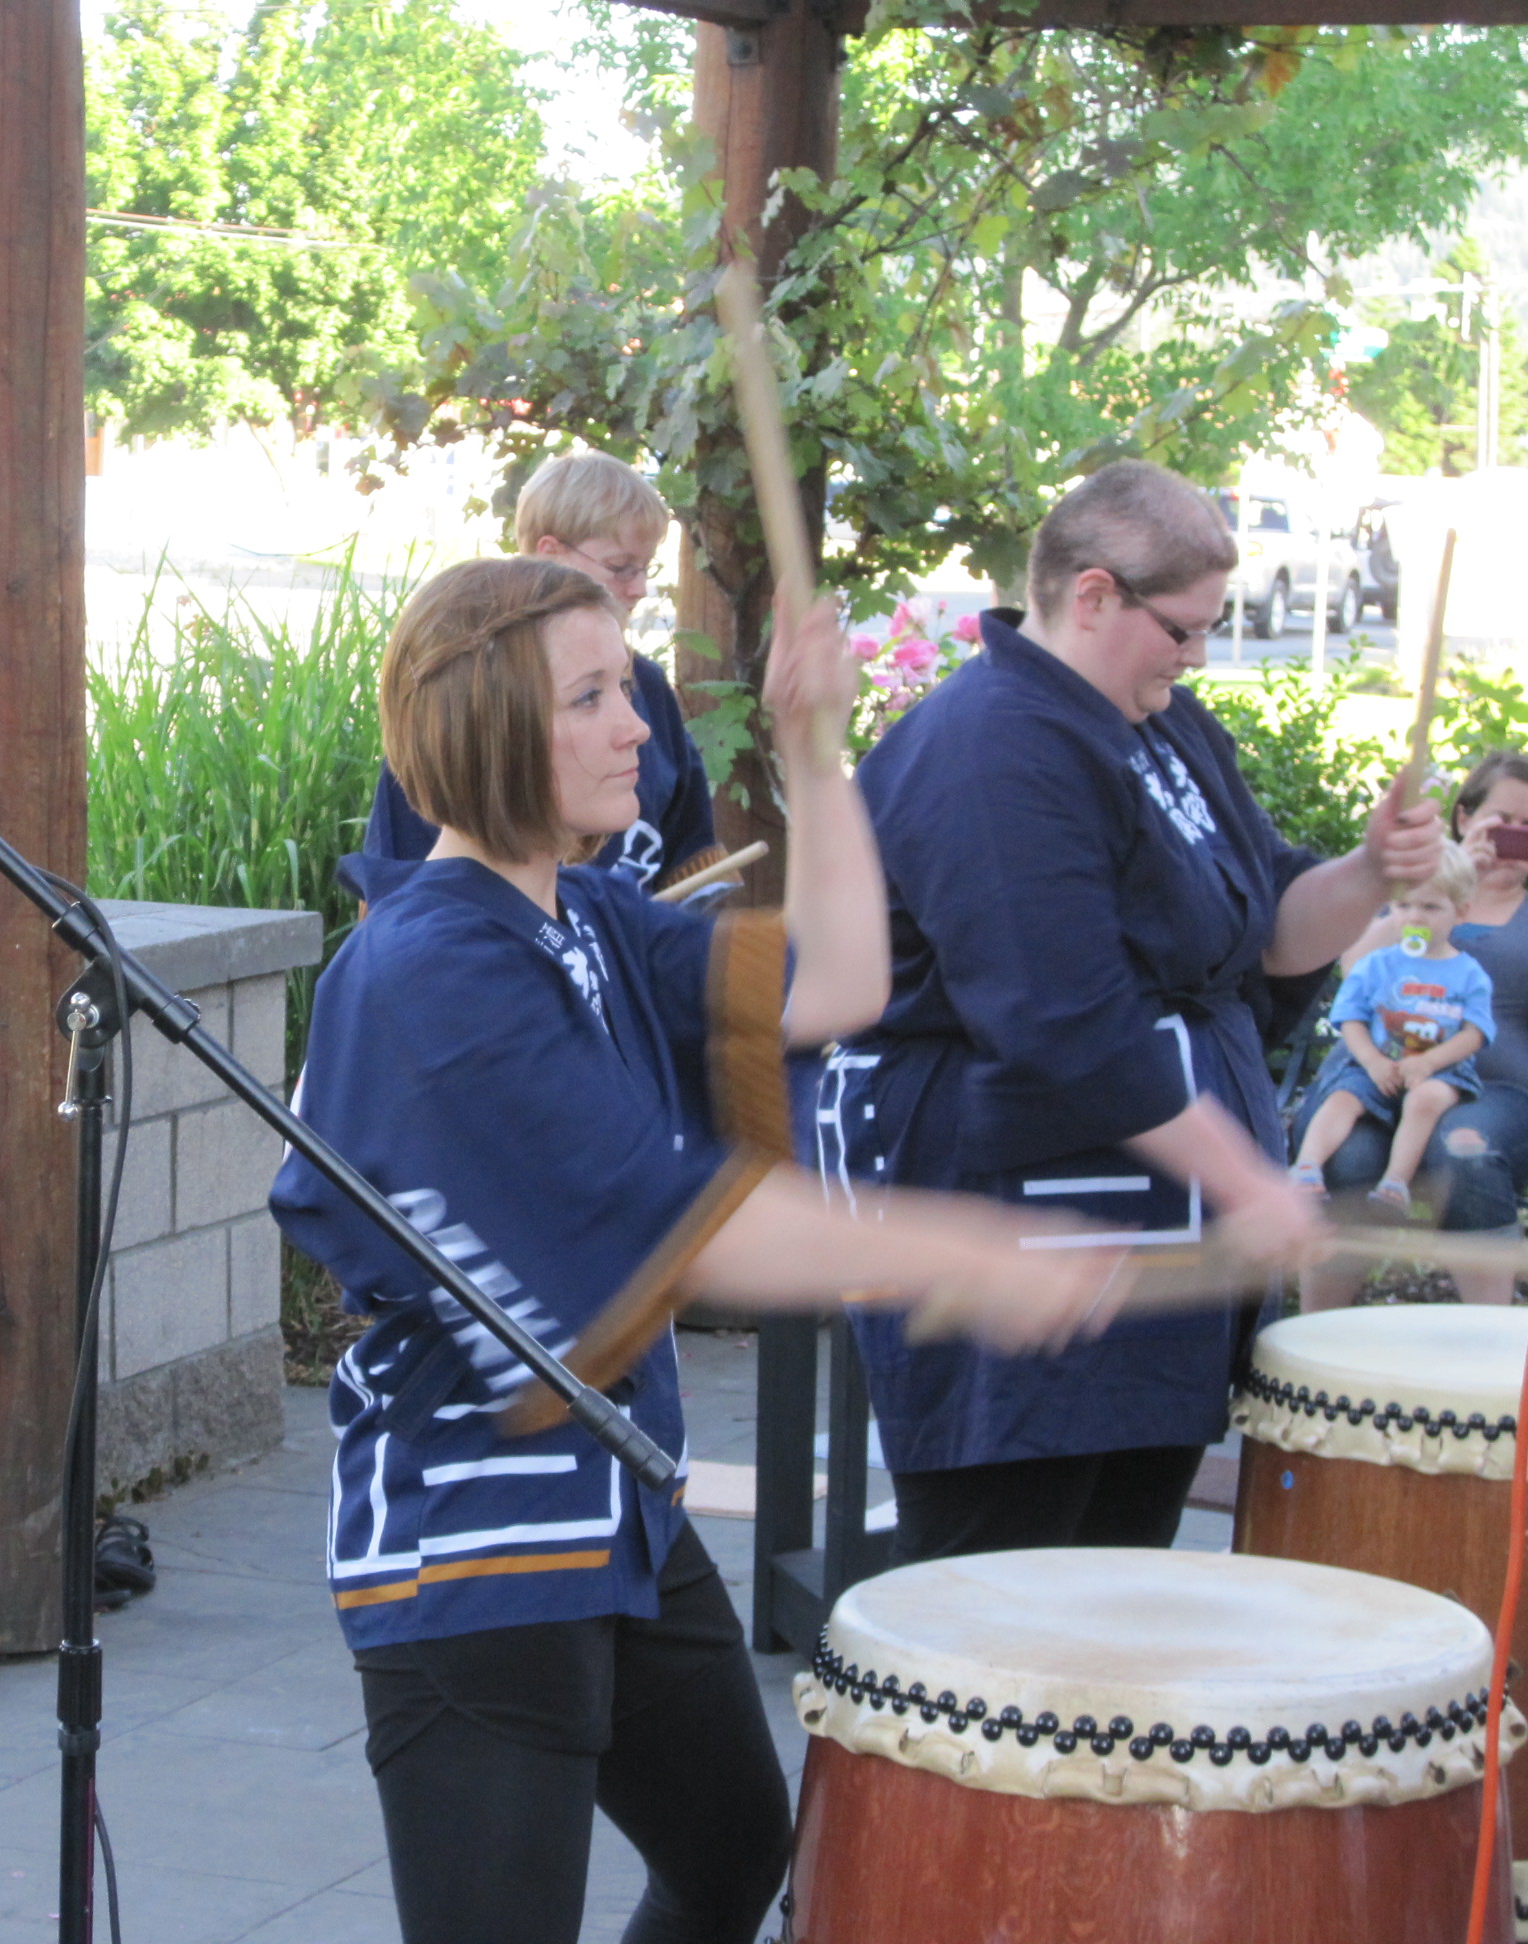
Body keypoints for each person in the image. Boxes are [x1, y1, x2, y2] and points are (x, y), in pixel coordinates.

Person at [272, 554, 1126, 1944]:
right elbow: (691, 1226)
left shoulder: (588, 916)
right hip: (475, 1545)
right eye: (595, 696)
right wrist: (965, 1248)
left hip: (617, 1505)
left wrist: (817, 749)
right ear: (488, 720)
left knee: (732, 1859)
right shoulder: (430, 968)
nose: (641, 731)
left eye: (631, 690)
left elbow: (846, 978)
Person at [825, 460, 1443, 1564]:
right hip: (1021, 1233)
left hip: (1159, 1233)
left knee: (1120, 1592)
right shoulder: (992, 745)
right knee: (1000, 1608)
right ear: (1096, 594)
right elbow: (1065, 1021)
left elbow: (1265, 928)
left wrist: (1369, 870)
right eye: (1182, 629)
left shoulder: (1163, 723)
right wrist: (1255, 1180)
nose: (1198, 655)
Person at [1300, 750, 1528, 1309]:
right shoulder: (1410, 897)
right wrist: (1449, 876)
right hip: (1375, 1078)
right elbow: (1354, 970)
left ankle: (1494, 1345)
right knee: (1350, 1160)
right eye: (1501, 823)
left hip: (1495, 1096)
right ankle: (1317, 1344)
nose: (1514, 839)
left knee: (1464, 1152)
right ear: (1465, 819)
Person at [365, 451, 728, 893]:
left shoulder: (603, 917)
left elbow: (695, 865)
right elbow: (395, 897)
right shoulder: (469, 693)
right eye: (620, 567)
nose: (639, 589)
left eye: (646, 567)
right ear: (550, 554)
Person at [1289, 843, 1494, 1213]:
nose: (1415, 916)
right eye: (1404, 906)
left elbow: (1474, 1033)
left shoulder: (1468, 973)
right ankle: (1305, 1169)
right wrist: (1371, 1061)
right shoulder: (1376, 965)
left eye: (1430, 907)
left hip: (1440, 1070)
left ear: (1460, 911)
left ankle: (1395, 1185)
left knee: (1423, 1100)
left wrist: (1430, 1064)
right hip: (1377, 1064)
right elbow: (1350, 1017)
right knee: (1342, 1098)